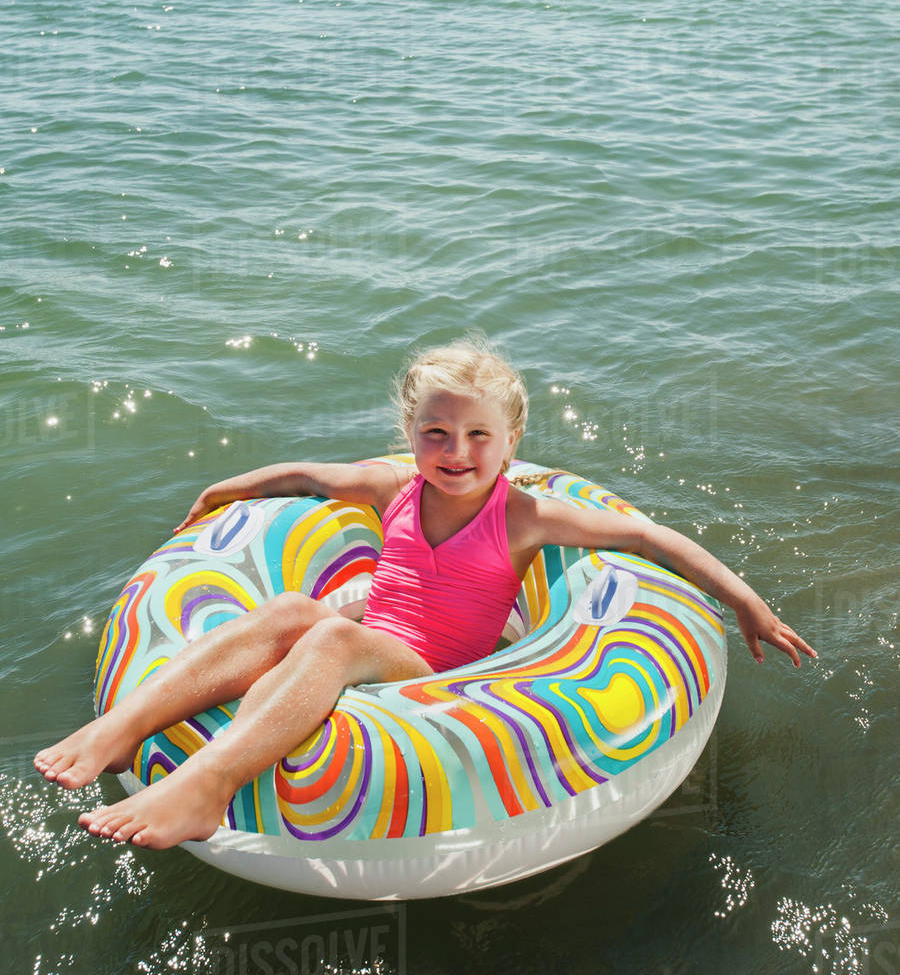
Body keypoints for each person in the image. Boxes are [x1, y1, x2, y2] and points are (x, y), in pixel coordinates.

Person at [34, 338, 816, 850]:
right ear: (410, 433)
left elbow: (648, 540)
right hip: (373, 647)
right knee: (290, 611)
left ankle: (210, 785)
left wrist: (745, 602)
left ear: (512, 442)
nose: (455, 452)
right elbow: (309, 476)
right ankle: (124, 728)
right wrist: (228, 488)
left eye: (478, 436)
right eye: (436, 433)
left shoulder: (524, 517)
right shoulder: (395, 488)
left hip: (435, 678)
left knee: (332, 634)